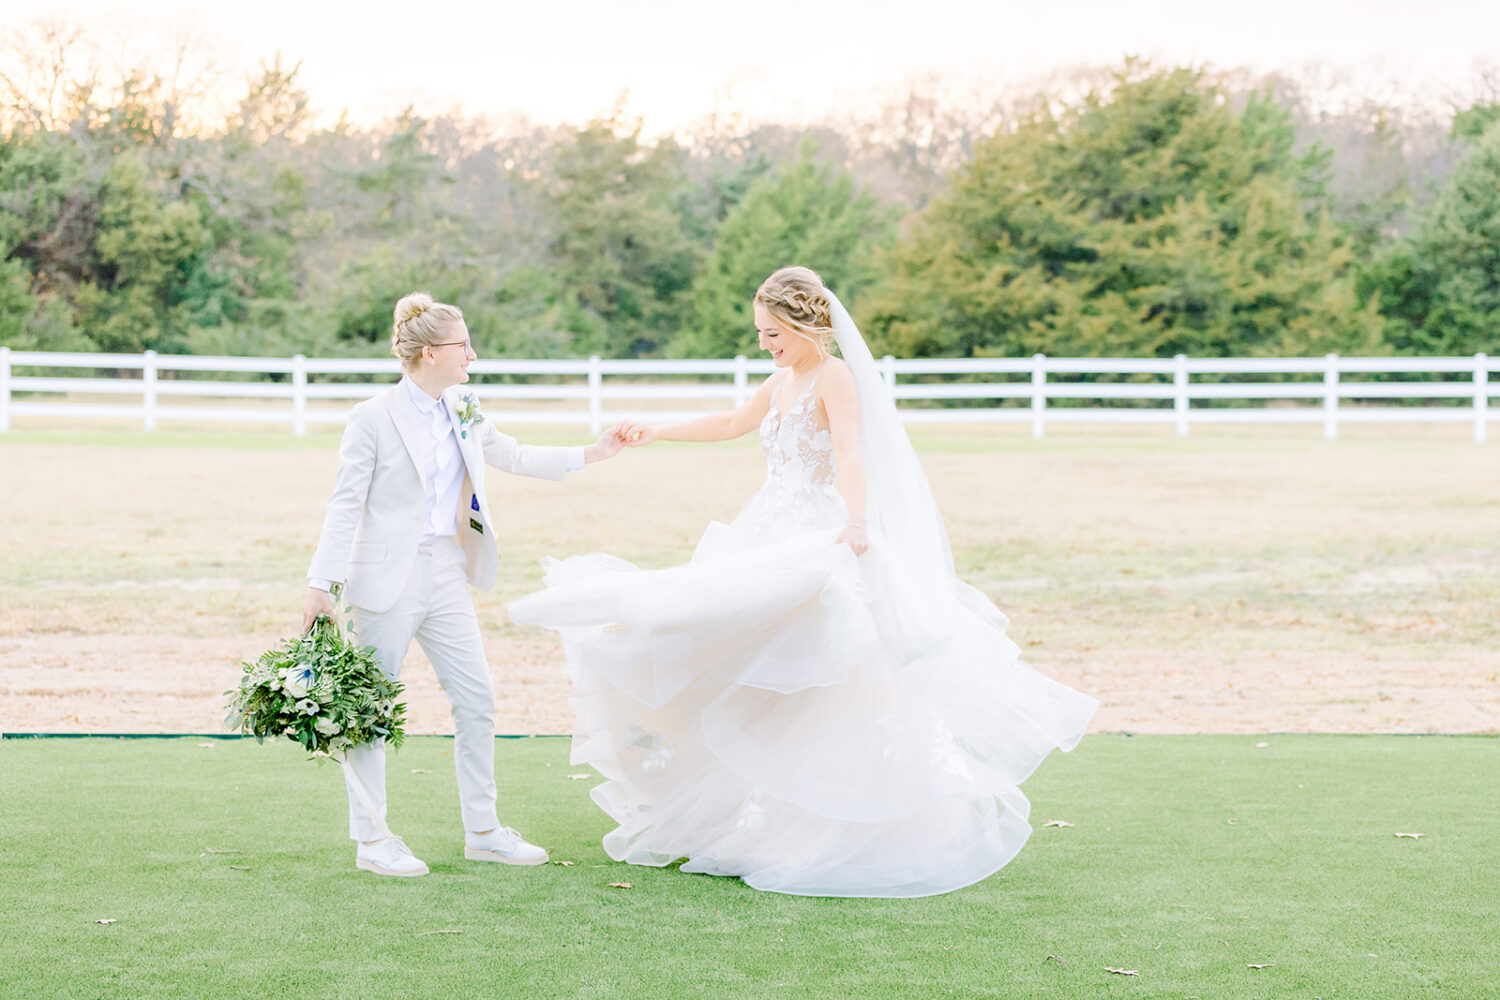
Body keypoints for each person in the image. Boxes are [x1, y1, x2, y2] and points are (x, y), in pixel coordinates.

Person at [508, 266, 1098, 897]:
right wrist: (658, 431)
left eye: (772, 333)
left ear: (802, 323)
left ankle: (824, 824)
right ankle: (753, 814)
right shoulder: (782, 378)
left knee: (821, 678)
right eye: (761, 334)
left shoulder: (834, 376)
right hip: (764, 527)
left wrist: (856, 520)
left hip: (818, 534)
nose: (766, 343)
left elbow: (850, 452)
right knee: (737, 658)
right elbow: (735, 421)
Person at [304, 292, 623, 877]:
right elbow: (345, 503)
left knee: (477, 700)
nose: (472, 355)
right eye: (463, 345)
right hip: (384, 578)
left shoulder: (465, 405)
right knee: (371, 708)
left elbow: (511, 454)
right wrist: (320, 582)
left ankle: (484, 831)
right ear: (429, 353)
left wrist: (593, 453)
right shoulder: (371, 418)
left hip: (448, 572)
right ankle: (373, 841)